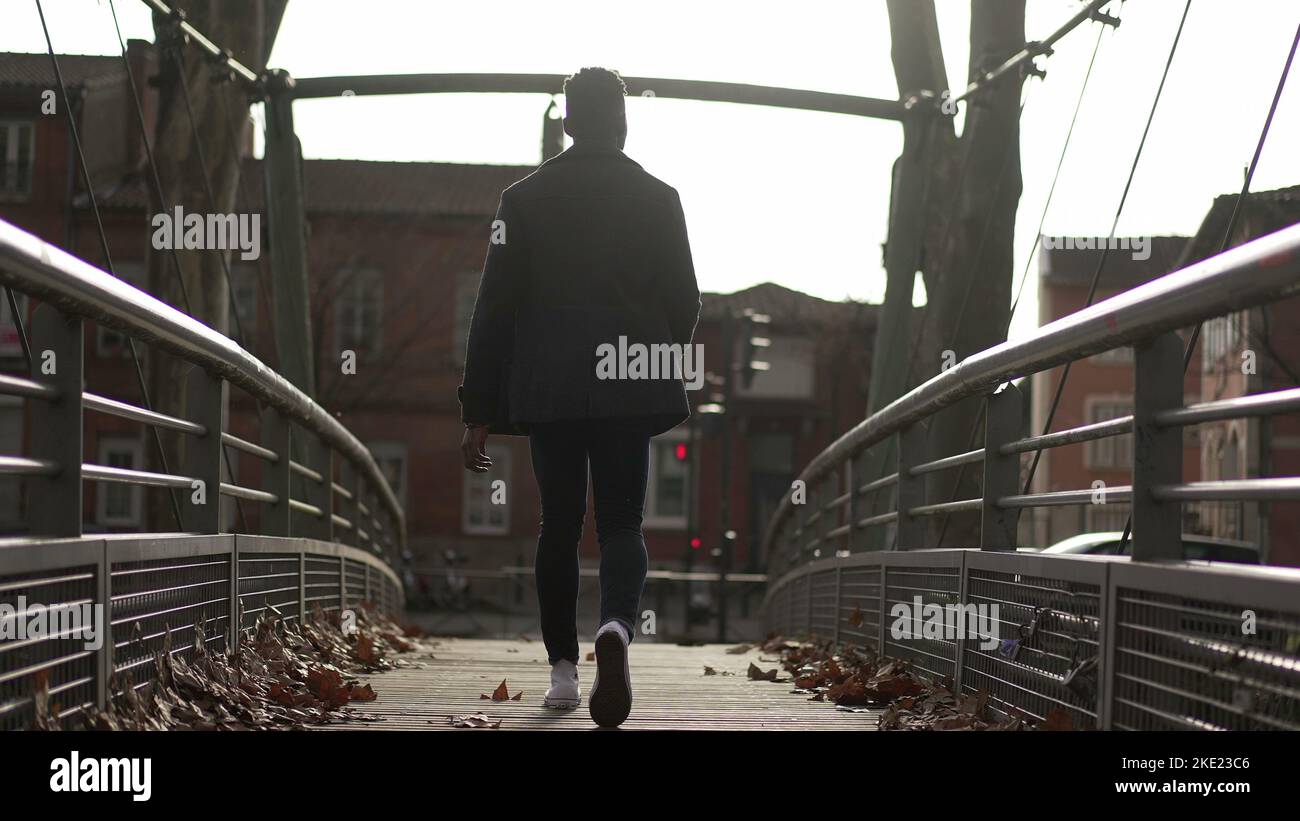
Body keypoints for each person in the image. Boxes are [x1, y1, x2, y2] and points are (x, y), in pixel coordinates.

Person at [458, 67, 700, 727]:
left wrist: (478, 407)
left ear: (566, 123)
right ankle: (617, 627)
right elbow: (686, 301)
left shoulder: (523, 199)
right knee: (623, 522)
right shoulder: (660, 197)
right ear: (623, 122)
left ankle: (563, 676)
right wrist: (653, 350)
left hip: (550, 384)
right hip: (629, 378)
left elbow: (494, 309)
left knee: (557, 527)